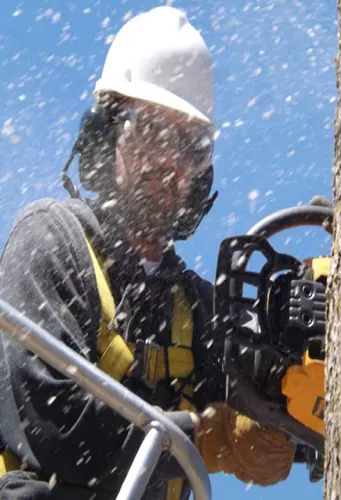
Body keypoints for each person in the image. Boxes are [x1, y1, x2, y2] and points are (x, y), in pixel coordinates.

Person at [0, 6, 297, 499]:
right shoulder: (51, 242)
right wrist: (205, 439)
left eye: (191, 145)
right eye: (150, 131)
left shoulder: (199, 305)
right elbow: (59, 430)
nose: (169, 161)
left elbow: (271, 405)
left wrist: (281, 417)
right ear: (106, 134)